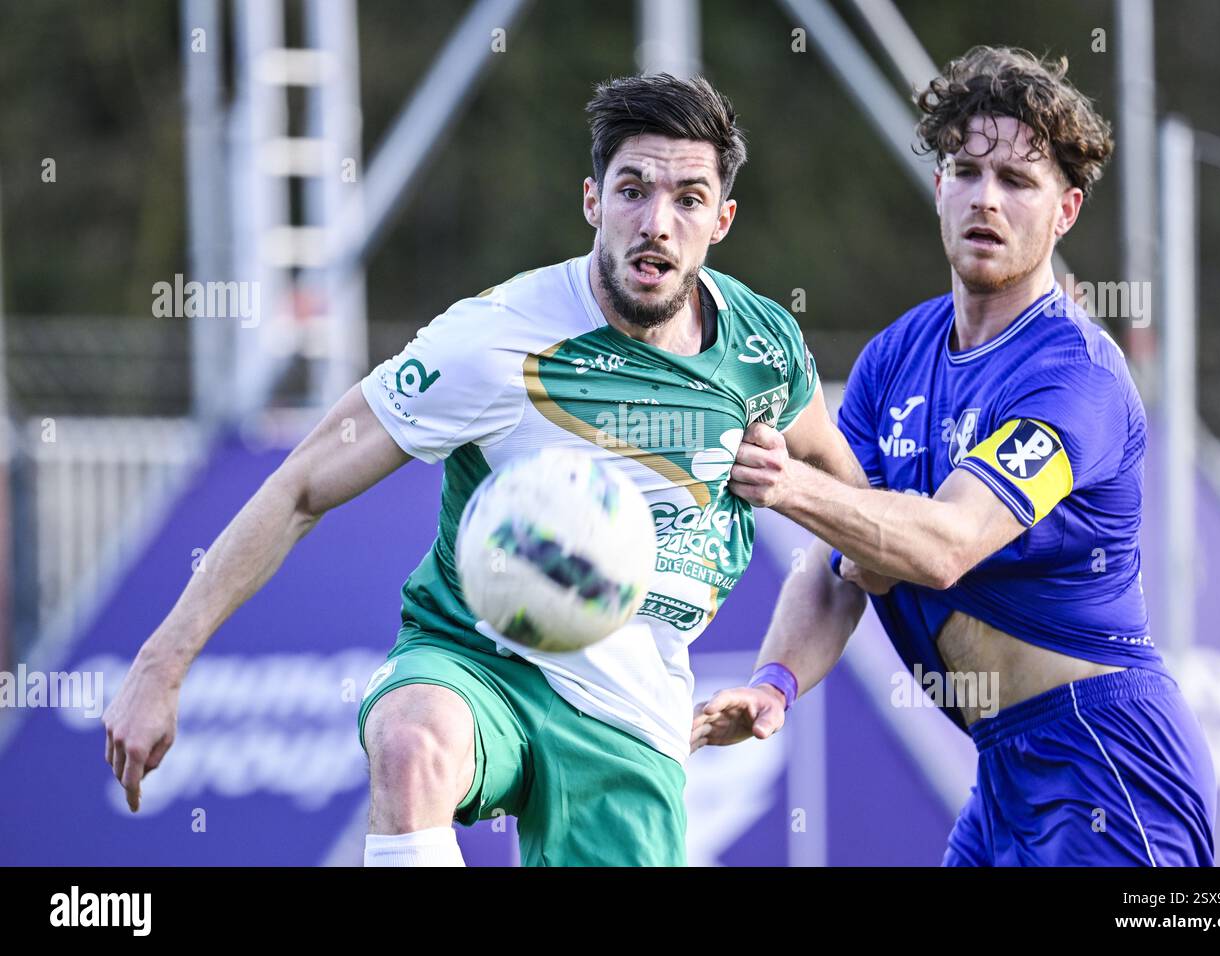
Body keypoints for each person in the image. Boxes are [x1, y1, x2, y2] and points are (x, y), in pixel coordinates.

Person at [102, 73, 864, 867]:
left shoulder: (764, 348)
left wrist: (777, 677)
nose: (656, 225)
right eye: (632, 190)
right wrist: (161, 664)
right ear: (592, 201)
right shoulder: (491, 341)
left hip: (632, 714)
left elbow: (856, 527)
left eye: (688, 199)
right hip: (475, 657)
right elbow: (298, 487)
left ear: (723, 219)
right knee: (410, 744)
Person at [693, 47, 1216, 866]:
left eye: (1018, 181)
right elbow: (840, 561)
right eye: (967, 170)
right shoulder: (895, 355)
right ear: (938, 184)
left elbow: (942, 547)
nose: (987, 200)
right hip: (1001, 777)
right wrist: (775, 684)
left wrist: (789, 483)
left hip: (1109, 766)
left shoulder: (1074, 374)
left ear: (1066, 211)